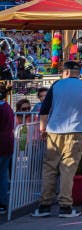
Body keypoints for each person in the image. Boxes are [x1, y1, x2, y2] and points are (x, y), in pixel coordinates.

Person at [32, 60, 82, 218]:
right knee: (67, 170)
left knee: (49, 169)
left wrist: (43, 128)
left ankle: (44, 206)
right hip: (76, 131)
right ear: (78, 72)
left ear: (65, 72)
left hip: (54, 131)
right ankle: (65, 207)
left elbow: (44, 109)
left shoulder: (56, 85)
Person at [0, 86, 14, 214]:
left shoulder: (2, 108)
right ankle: (2, 203)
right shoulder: (7, 107)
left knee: (3, 174)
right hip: (8, 144)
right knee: (3, 174)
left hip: (2, 144)